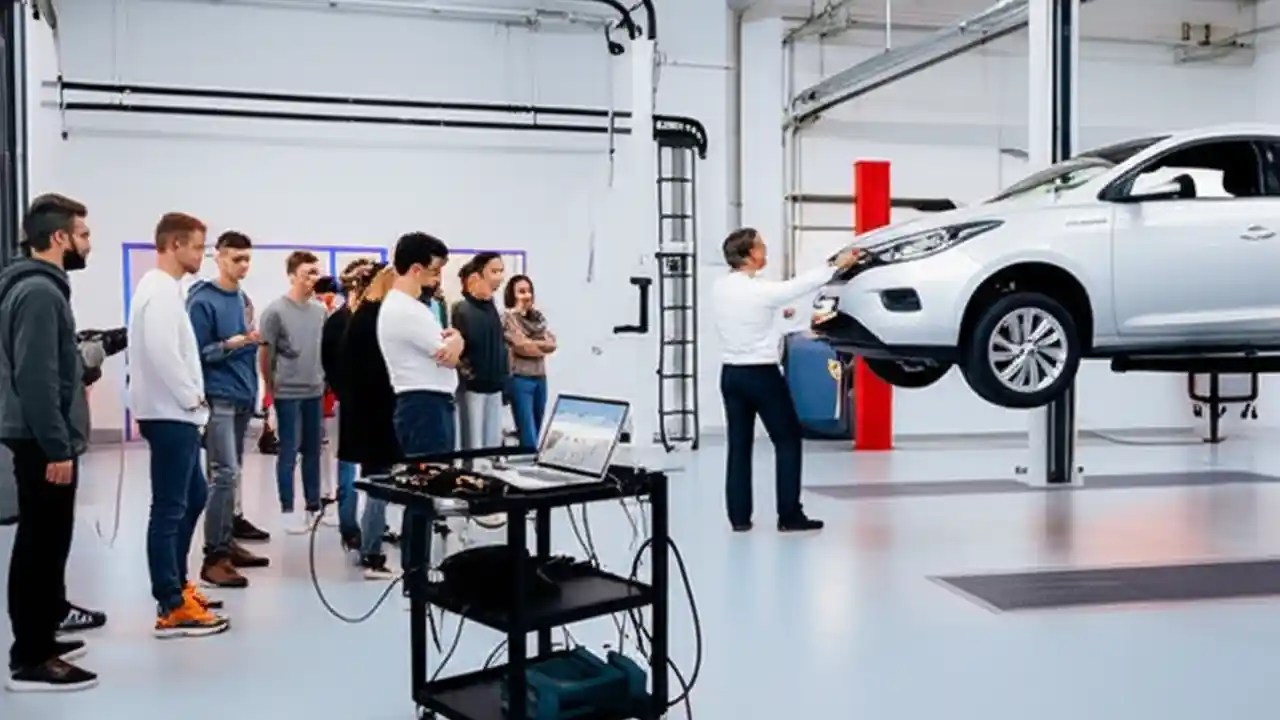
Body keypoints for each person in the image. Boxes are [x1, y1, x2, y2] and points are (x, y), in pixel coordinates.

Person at [0, 194, 97, 691]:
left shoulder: (37, 288)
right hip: (42, 442)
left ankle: (41, 634)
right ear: (59, 238)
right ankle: (30, 657)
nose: (88, 244)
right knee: (40, 544)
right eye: (82, 235)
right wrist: (58, 448)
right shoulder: (40, 293)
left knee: (47, 541)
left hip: (42, 435)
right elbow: (35, 378)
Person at [711, 228, 863, 534]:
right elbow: (799, 286)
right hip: (761, 376)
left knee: (739, 447)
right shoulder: (760, 291)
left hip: (731, 375)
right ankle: (790, 515)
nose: (765, 251)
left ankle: (739, 518)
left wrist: (786, 316)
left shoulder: (722, 287)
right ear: (748, 255)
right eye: (761, 247)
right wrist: (836, 264)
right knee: (788, 439)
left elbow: (762, 311)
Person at [128, 212, 229, 638]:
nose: (201, 255)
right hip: (171, 414)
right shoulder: (160, 292)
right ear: (173, 245)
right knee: (170, 506)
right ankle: (170, 603)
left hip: (177, 413)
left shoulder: (167, 290)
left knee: (192, 496)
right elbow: (163, 353)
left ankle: (178, 584)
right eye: (197, 247)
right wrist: (193, 398)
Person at [186, 230, 270, 589]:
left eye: (248, 259)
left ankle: (228, 541)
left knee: (232, 476)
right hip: (217, 397)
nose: (244, 265)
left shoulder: (242, 298)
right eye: (237, 259)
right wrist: (231, 345)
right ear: (218, 257)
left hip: (240, 396)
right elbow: (196, 354)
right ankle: (214, 557)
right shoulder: (202, 301)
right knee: (223, 475)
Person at [377, 232, 464, 572]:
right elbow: (448, 354)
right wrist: (456, 342)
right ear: (415, 269)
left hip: (430, 404)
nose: (437, 278)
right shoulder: (404, 311)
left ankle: (420, 569)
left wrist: (457, 338)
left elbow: (451, 343)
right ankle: (416, 573)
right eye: (434, 271)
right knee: (423, 493)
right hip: (423, 406)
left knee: (427, 490)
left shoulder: (415, 308)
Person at [336, 264, 402, 578]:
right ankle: (372, 553)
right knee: (379, 481)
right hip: (376, 412)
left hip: (362, 411)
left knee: (373, 479)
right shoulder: (378, 319)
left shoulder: (361, 316)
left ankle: (368, 542)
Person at [258, 251, 327, 534]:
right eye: (307, 273)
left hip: (315, 390)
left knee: (313, 451)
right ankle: (287, 509)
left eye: (315, 273)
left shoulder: (321, 311)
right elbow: (265, 354)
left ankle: (313, 507)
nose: (312, 278)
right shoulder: (275, 311)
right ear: (292, 275)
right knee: (288, 452)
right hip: (287, 392)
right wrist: (270, 392)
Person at [322, 259, 377, 550]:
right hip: (350, 403)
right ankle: (350, 528)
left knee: (375, 471)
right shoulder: (338, 322)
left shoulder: (375, 319)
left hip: (374, 404)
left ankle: (372, 527)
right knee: (348, 468)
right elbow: (328, 362)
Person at [451, 252, 508, 453]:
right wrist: (469, 375)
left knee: (491, 442)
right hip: (473, 388)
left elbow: (499, 346)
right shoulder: (461, 309)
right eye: (494, 271)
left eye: (501, 272)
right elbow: (459, 349)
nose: (499, 277)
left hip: (495, 384)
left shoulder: (492, 309)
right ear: (475, 277)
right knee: (472, 441)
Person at [502, 274, 555, 449]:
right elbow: (521, 346)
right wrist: (540, 346)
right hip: (520, 378)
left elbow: (552, 344)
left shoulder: (538, 319)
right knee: (528, 434)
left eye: (529, 291)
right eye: (521, 292)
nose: (527, 296)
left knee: (538, 431)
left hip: (540, 378)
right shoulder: (508, 318)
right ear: (512, 295)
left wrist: (534, 344)